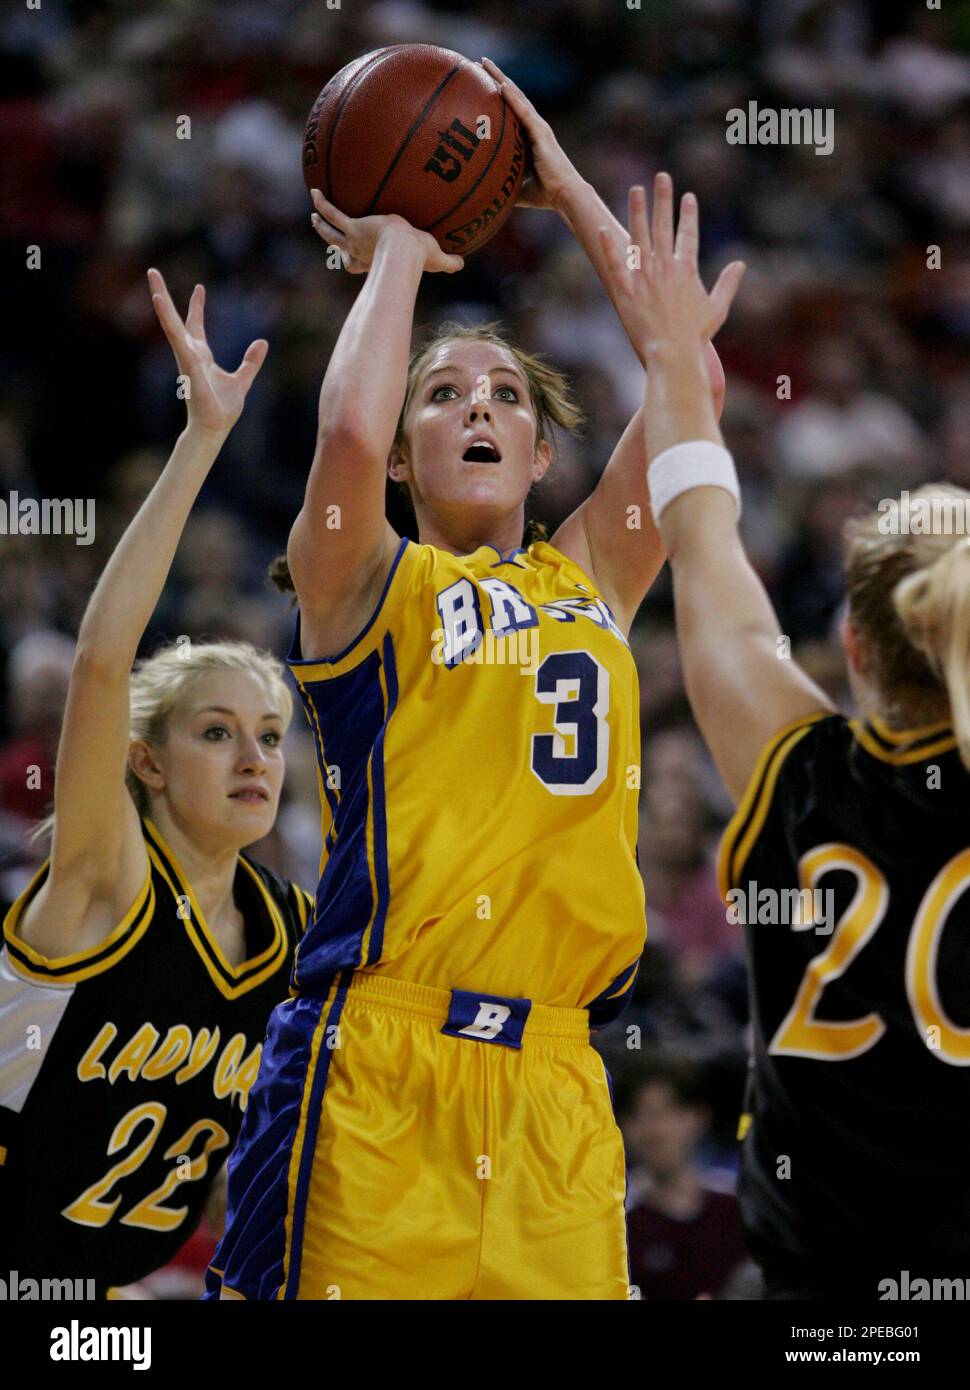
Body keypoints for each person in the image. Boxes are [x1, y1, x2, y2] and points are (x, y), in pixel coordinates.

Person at [204, 63, 725, 1302]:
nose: (474, 406)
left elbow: (686, 378)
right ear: (402, 455)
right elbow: (340, 433)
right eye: (441, 396)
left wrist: (564, 189)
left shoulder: (590, 573)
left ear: (545, 456)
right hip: (374, 1055)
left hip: (556, 1073)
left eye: (501, 397)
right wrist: (399, 248)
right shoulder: (365, 577)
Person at [598, 170, 970, 1299]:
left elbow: (703, 537)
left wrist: (671, 359)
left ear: (851, 649)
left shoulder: (793, 768)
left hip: (813, 1291)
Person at [0, 270, 311, 1299]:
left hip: (107, 1295)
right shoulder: (102, 877)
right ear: (146, 760)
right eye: (215, 733)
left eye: (268, 735)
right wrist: (201, 441)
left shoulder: (290, 925)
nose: (254, 758)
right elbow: (101, 660)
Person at [619, 1054, 749, 1301]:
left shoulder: (740, 1207)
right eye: (640, 1115)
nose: (656, 1131)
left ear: (699, 1117)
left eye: (667, 1111)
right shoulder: (615, 1223)